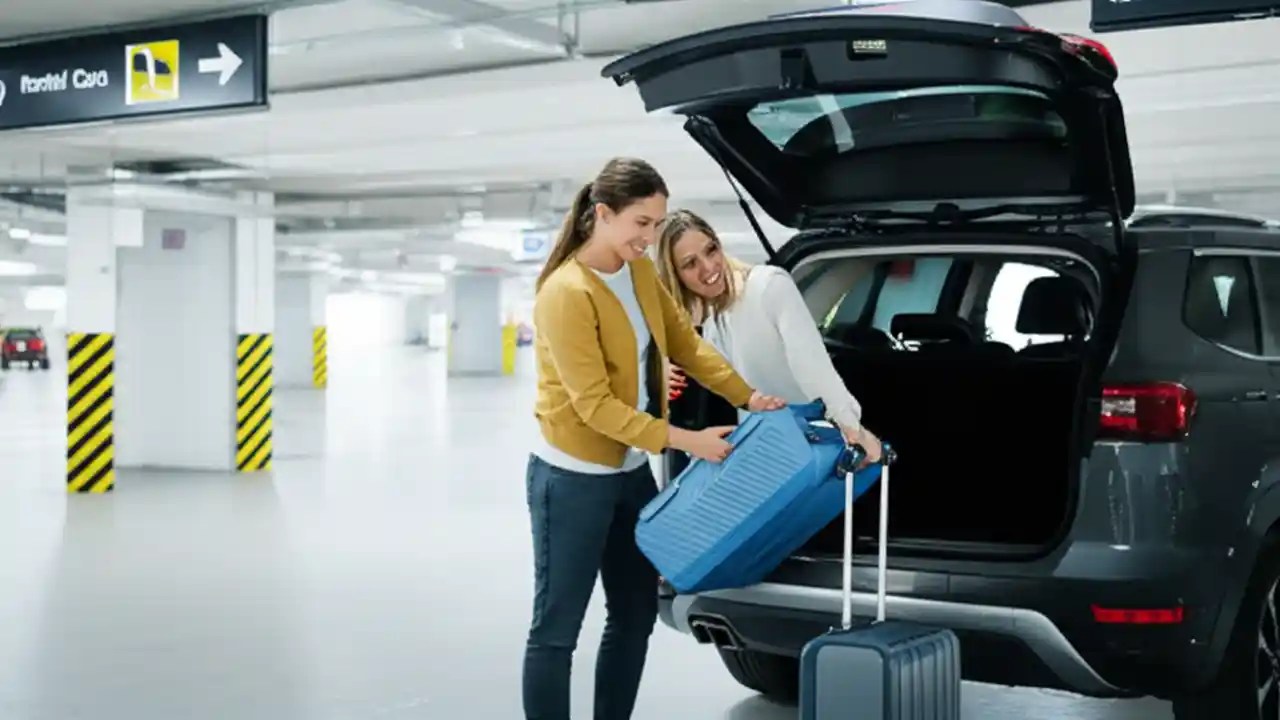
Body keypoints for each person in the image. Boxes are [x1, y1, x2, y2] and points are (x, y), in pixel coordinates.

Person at [525, 157, 784, 720]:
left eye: (657, 223)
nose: (650, 237)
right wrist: (688, 440)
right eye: (641, 223)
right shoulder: (566, 293)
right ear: (602, 214)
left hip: (627, 474)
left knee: (636, 612)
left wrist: (747, 397)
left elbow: (685, 345)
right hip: (572, 478)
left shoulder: (638, 271)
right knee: (557, 628)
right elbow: (594, 407)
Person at [655, 208, 883, 463]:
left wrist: (853, 430)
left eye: (711, 250)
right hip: (767, 455)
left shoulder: (768, 286)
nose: (708, 267)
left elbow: (810, 363)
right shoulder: (712, 323)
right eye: (690, 264)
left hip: (816, 447)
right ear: (675, 276)